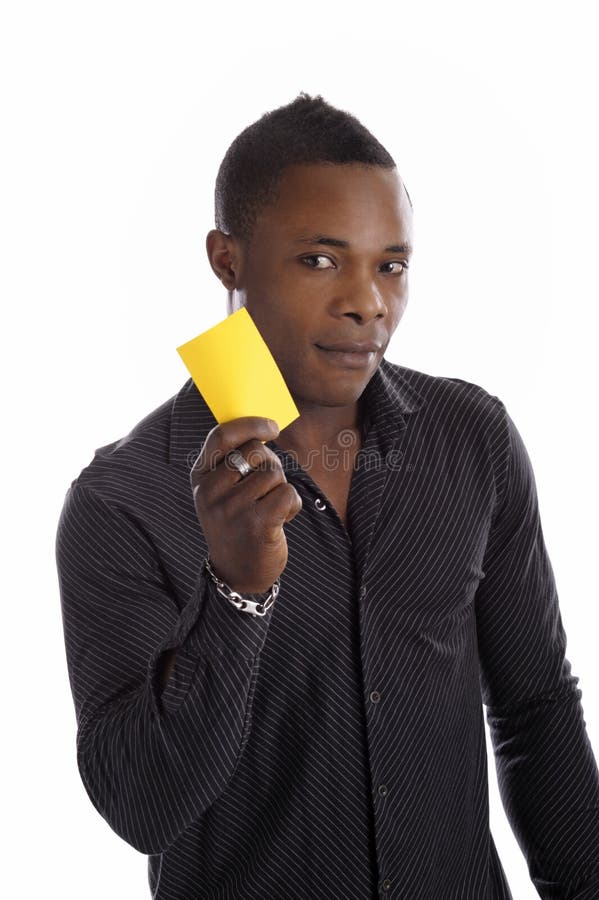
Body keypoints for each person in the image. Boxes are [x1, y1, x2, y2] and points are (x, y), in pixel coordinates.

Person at [55, 92, 599, 899]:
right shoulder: (122, 500)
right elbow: (143, 807)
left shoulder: (471, 438)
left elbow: (536, 709)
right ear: (226, 260)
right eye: (319, 260)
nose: (367, 302)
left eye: (390, 266)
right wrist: (236, 593)